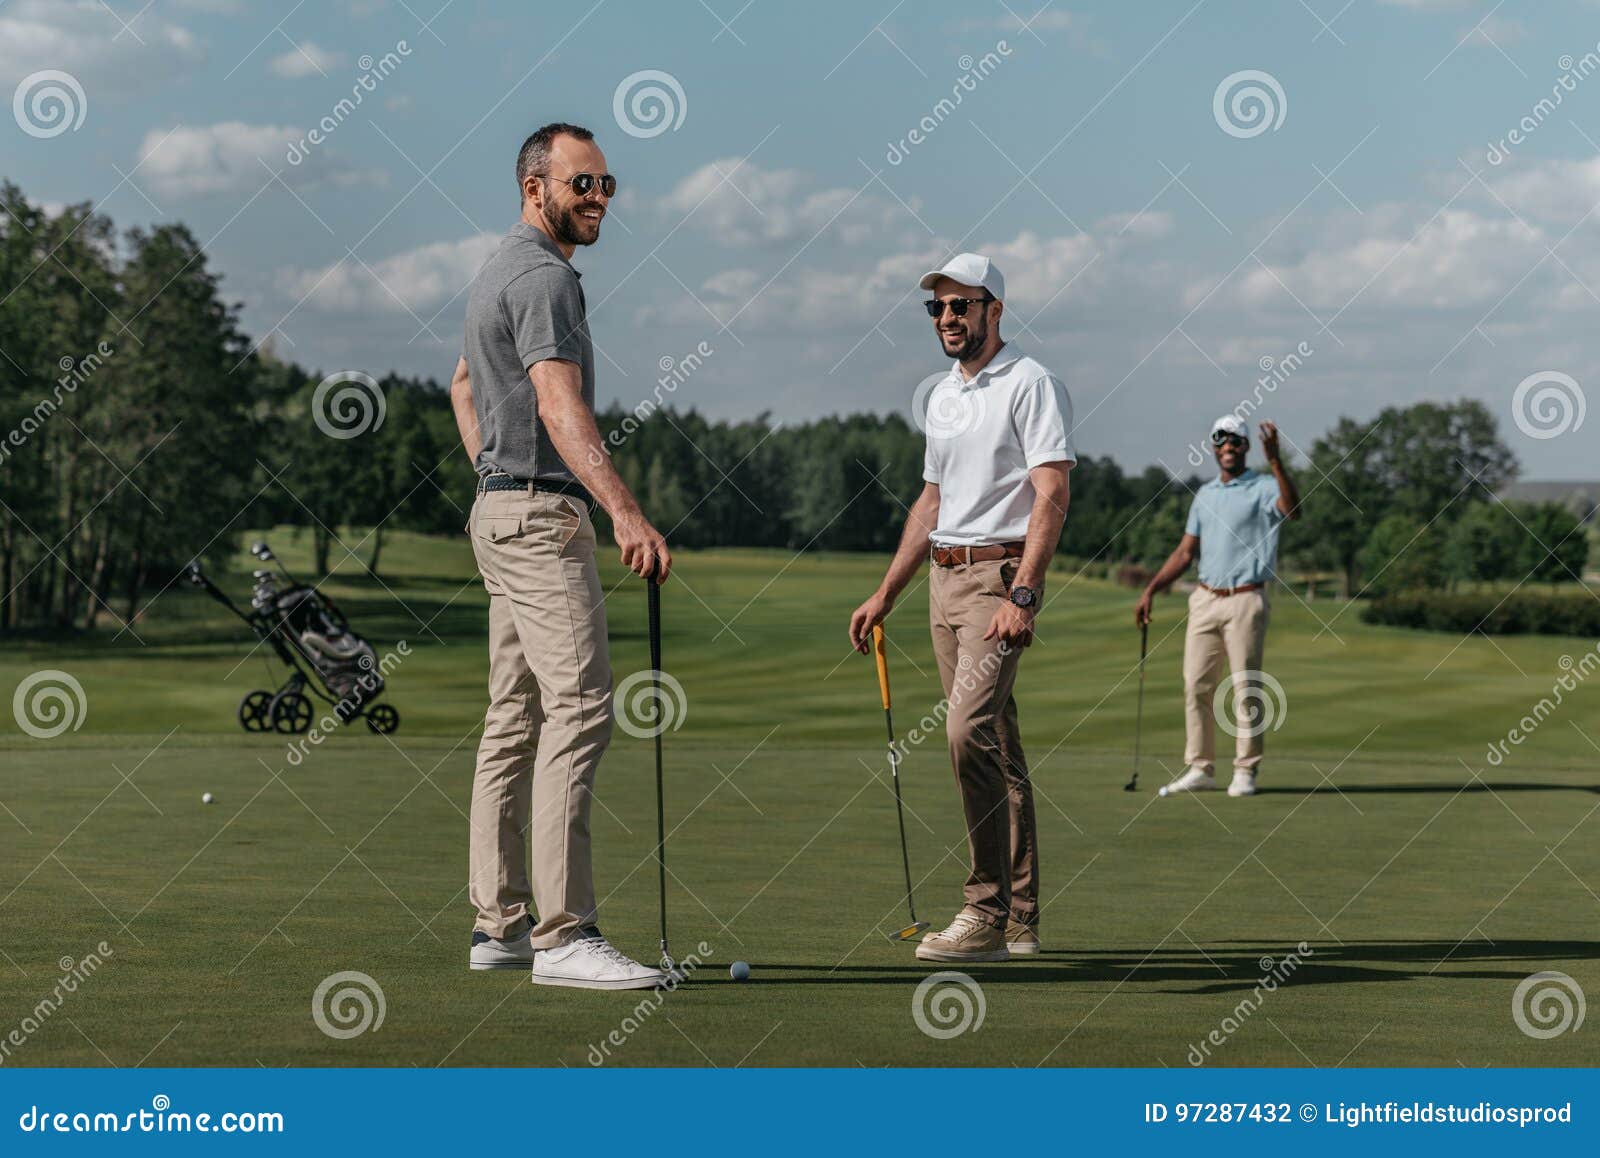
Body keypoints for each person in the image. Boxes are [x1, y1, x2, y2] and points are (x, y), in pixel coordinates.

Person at [448, 122, 672, 989]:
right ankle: (564, 936)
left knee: (514, 719)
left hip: (501, 514)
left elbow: (465, 386)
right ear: (535, 186)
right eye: (584, 183)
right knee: (580, 709)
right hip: (539, 521)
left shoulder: (495, 271)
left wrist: (493, 479)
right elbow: (557, 402)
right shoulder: (544, 278)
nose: (599, 200)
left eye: (608, 185)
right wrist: (625, 511)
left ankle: (498, 924)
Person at [848, 253, 1075, 963]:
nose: (947, 318)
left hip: (997, 581)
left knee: (964, 732)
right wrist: (887, 591)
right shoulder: (944, 394)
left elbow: (1052, 492)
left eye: (961, 306)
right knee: (996, 747)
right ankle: (1021, 918)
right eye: (937, 309)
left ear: (993, 310)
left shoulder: (1032, 382)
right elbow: (932, 501)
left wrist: (1024, 594)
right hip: (944, 581)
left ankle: (983, 911)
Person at [1134, 415, 1301, 797]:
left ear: (1246, 447)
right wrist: (1152, 589)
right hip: (1205, 599)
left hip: (1246, 597)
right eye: (1221, 443)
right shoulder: (1205, 495)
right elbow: (1185, 552)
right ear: (1214, 448)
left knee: (1245, 686)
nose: (1228, 449)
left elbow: (1294, 511)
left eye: (1236, 443)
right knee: (1196, 685)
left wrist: (1275, 461)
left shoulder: (1263, 486)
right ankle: (1201, 767)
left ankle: (1245, 770)